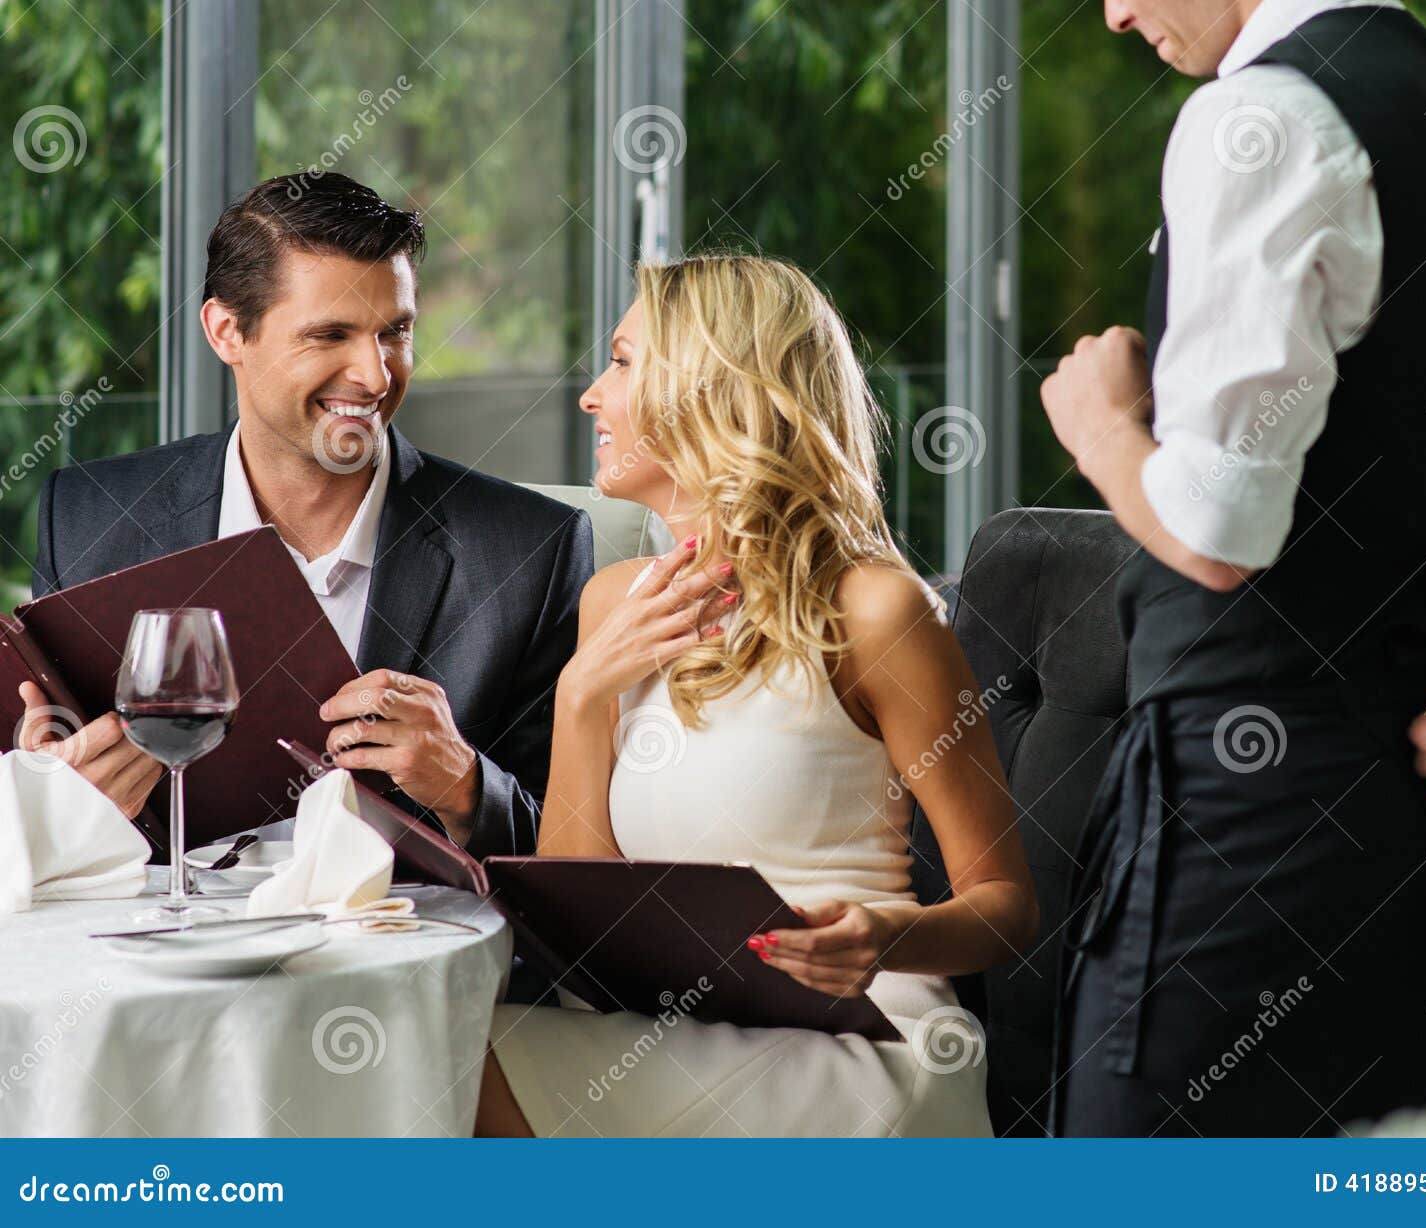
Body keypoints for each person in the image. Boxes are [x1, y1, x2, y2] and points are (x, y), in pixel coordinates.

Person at [1039, 0, 1426, 1135]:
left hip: (1246, 822)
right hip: (1419, 847)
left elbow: (1214, 531)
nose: (1114, 13)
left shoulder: (1257, 116)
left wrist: (1095, 425)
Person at [475, 254, 1037, 1137]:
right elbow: (576, 926)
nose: (591, 395)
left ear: (716, 390)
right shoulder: (614, 604)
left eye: (622, 362)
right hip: (671, 1028)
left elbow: (1005, 906)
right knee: (422, 1047)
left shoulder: (875, 609)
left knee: (447, 1076)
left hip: (867, 1042)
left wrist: (881, 937)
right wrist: (583, 696)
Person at [20, 172, 589, 857]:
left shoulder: (533, 550)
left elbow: (572, 869)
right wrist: (42, 792)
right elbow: (39, 803)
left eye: (395, 332)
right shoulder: (85, 518)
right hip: (156, 948)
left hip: (403, 953)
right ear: (227, 330)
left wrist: (464, 784)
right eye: (330, 335)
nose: (376, 376)